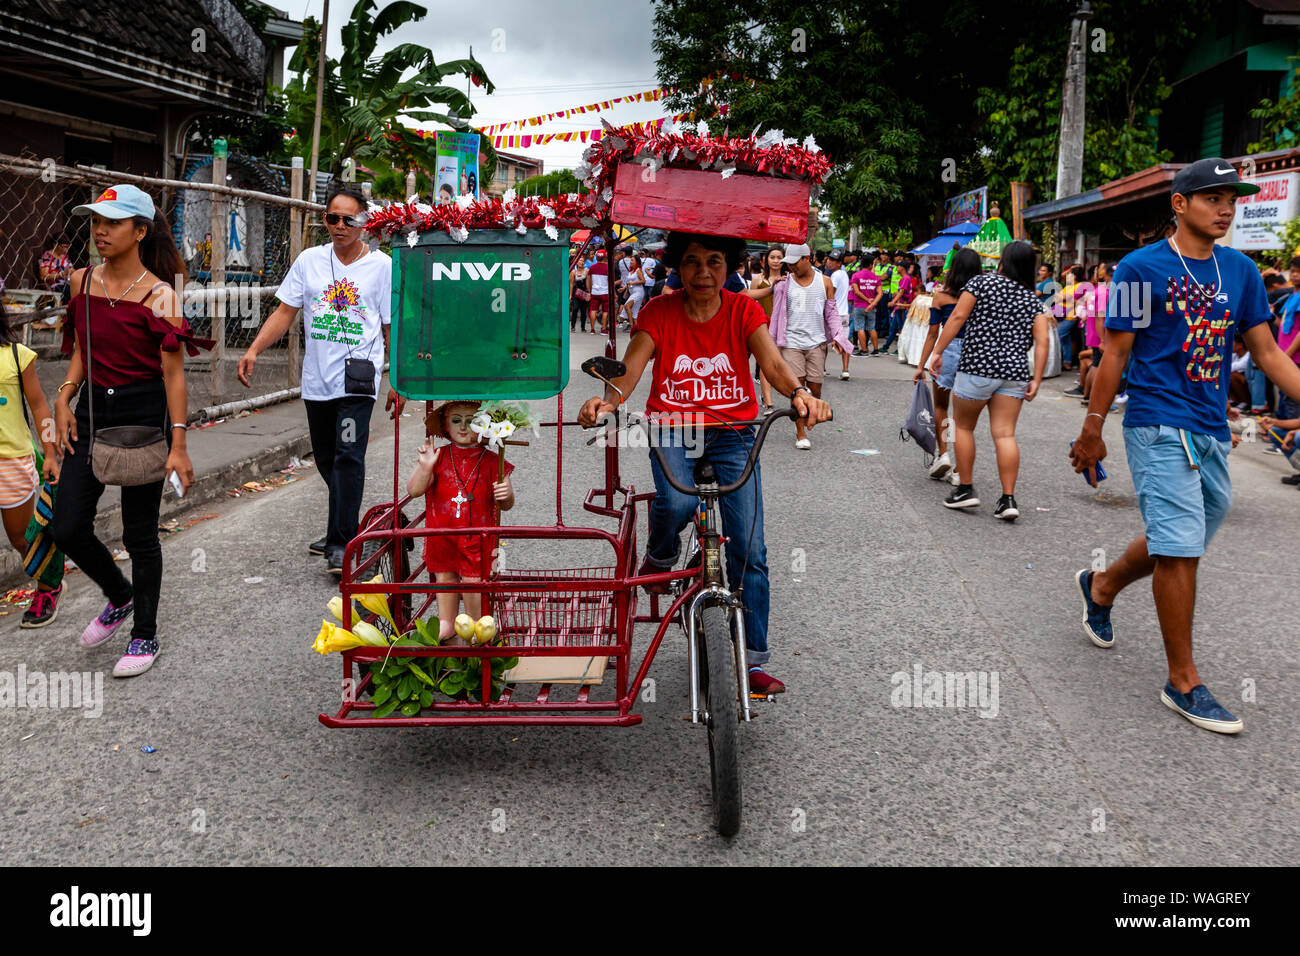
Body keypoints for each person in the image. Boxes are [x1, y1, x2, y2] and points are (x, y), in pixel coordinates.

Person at [1068, 158, 1300, 735]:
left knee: (1187, 531)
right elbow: (1116, 353)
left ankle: (1100, 585)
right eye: (1213, 197)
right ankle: (1184, 681)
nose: (1226, 208)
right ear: (1179, 203)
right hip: (1154, 419)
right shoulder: (1143, 269)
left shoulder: (1241, 272)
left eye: (1233, 200)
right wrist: (1092, 427)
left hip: (1209, 426)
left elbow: (1267, 354)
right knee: (1181, 548)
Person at [577, 231, 832, 696]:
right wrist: (607, 404)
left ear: (729, 266)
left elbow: (772, 363)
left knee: (750, 552)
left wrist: (799, 393)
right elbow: (631, 370)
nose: (703, 273)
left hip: (734, 435)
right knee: (673, 503)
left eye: (714, 262)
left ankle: (753, 661)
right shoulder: (658, 312)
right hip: (673, 429)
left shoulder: (743, 310)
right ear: (678, 267)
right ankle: (661, 554)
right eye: (692, 262)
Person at [53, 184, 211, 677]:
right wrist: (64, 394)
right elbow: (82, 345)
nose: (100, 230)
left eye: (113, 222)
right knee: (67, 526)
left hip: (145, 413)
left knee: (139, 534)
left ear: (140, 230)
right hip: (92, 412)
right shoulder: (80, 281)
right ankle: (119, 596)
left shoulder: (160, 295)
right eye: (95, 221)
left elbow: (174, 374)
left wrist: (179, 444)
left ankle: (145, 634)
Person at [237, 186, 404, 575]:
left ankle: (341, 545)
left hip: (358, 381)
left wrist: (397, 377)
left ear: (366, 222)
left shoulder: (382, 267)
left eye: (350, 219)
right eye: (333, 218)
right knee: (328, 460)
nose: (340, 226)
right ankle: (344, 524)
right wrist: (254, 349)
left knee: (348, 456)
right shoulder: (310, 260)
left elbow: (391, 327)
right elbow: (285, 312)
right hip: (317, 380)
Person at [930, 240, 1050, 518]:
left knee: (964, 428)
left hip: (976, 369)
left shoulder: (981, 284)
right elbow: (1042, 341)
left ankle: (966, 490)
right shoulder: (1032, 299)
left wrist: (938, 352)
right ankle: (1008, 500)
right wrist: (1038, 378)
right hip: (1014, 374)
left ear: (1003, 262)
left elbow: (958, 316)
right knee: (1005, 434)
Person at [407, 401, 514, 641]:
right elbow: (414, 490)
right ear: (446, 426)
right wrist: (425, 468)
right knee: (444, 575)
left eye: (473, 422)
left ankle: (477, 623)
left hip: (477, 535)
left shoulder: (492, 461)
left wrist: (506, 494)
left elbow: (506, 503)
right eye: (456, 421)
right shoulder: (439, 457)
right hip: (441, 533)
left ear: (485, 426)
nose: (464, 427)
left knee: (474, 578)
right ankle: (447, 621)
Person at [750, 243, 850, 449]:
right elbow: (771, 309)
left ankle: (806, 413)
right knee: (799, 388)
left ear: (808, 259)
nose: (791, 267)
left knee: (815, 388)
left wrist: (838, 337)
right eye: (790, 264)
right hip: (791, 343)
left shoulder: (825, 282)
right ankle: (800, 432)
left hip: (816, 342)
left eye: (795, 263)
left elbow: (831, 314)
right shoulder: (784, 283)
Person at [0, 299, 63, 627]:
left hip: (11, 461)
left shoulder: (16, 356)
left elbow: (40, 407)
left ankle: (49, 584)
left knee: (21, 538)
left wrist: (50, 452)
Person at [913, 248, 982, 482]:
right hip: (975, 353)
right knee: (964, 419)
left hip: (948, 351)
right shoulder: (981, 296)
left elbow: (932, 334)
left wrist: (921, 365)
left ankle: (943, 455)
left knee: (941, 406)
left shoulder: (941, 296)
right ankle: (961, 471)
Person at [750, 246, 786, 411]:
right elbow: (750, 302)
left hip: (783, 325)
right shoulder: (758, 279)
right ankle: (768, 401)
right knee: (766, 363)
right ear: (766, 260)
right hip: (763, 325)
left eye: (779, 257)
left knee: (781, 363)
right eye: (773, 257)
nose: (776, 261)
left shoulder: (789, 279)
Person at [848, 250, 885, 356]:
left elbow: (856, 291)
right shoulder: (876, 277)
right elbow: (880, 293)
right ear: (870, 265)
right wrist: (872, 304)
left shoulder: (856, 276)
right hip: (872, 308)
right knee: (871, 328)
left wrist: (866, 299)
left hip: (859, 305)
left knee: (859, 328)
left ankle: (864, 350)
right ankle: (876, 350)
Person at [825, 248, 852, 380]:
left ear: (839, 263)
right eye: (830, 259)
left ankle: (821, 368)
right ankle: (845, 370)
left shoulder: (835, 275)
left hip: (834, 313)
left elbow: (830, 294)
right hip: (844, 312)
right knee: (844, 341)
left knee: (822, 341)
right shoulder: (844, 274)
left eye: (834, 261)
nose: (830, 262)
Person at [882, 262, 920, 355]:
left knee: (902, 329)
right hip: (899, 307)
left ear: (902, 268)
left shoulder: (905, 278)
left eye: (898, 267)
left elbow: (902, 292)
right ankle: (885, 347)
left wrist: (893, 301)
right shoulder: (905, 278)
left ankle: (901, 349)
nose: (896, 269)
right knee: (894, 328)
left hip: (902, 307)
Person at [587, 249, 610, 333]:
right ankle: (603, 329)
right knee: (605, 311)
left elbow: (588, 279)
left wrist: (589, 291)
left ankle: (592, 329)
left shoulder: (592, 267)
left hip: (595, 292)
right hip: (605, 292)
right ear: (605, 257)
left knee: (593, 310)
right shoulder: (608, 267)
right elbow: (610, 281)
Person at [569, 256, 590, 332]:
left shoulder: (587, 271)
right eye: (580, 261)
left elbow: (588, 283)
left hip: (584, 292)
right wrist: (570, 295)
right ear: (577, 262)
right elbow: (571, 284)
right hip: (576, 293)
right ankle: (573, 326)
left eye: (583, 261)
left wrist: (589, 292)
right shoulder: (573, 272)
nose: (581, 262)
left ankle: (583, 327)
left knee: (583, 311)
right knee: (575, 309)